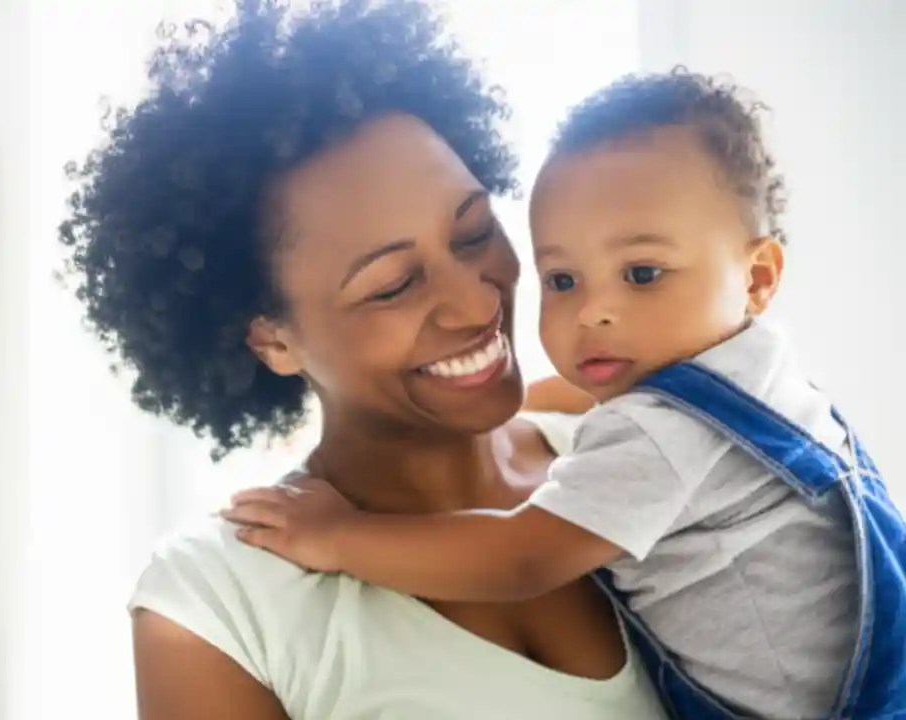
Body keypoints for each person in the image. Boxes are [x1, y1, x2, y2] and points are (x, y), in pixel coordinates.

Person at [225, 71, 906, 719]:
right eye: (562, 281)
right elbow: (592, 397)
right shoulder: (756, 375)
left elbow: (523, 556)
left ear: (757, 276)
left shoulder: (657, 439)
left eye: (642, 273)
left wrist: (342, 537)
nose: (594, 313)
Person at [60, 1, 666, 717]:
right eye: (394, 286)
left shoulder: (633, 446)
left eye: (473, 232)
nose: (475, 305)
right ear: (274, 340)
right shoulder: (215, 603)